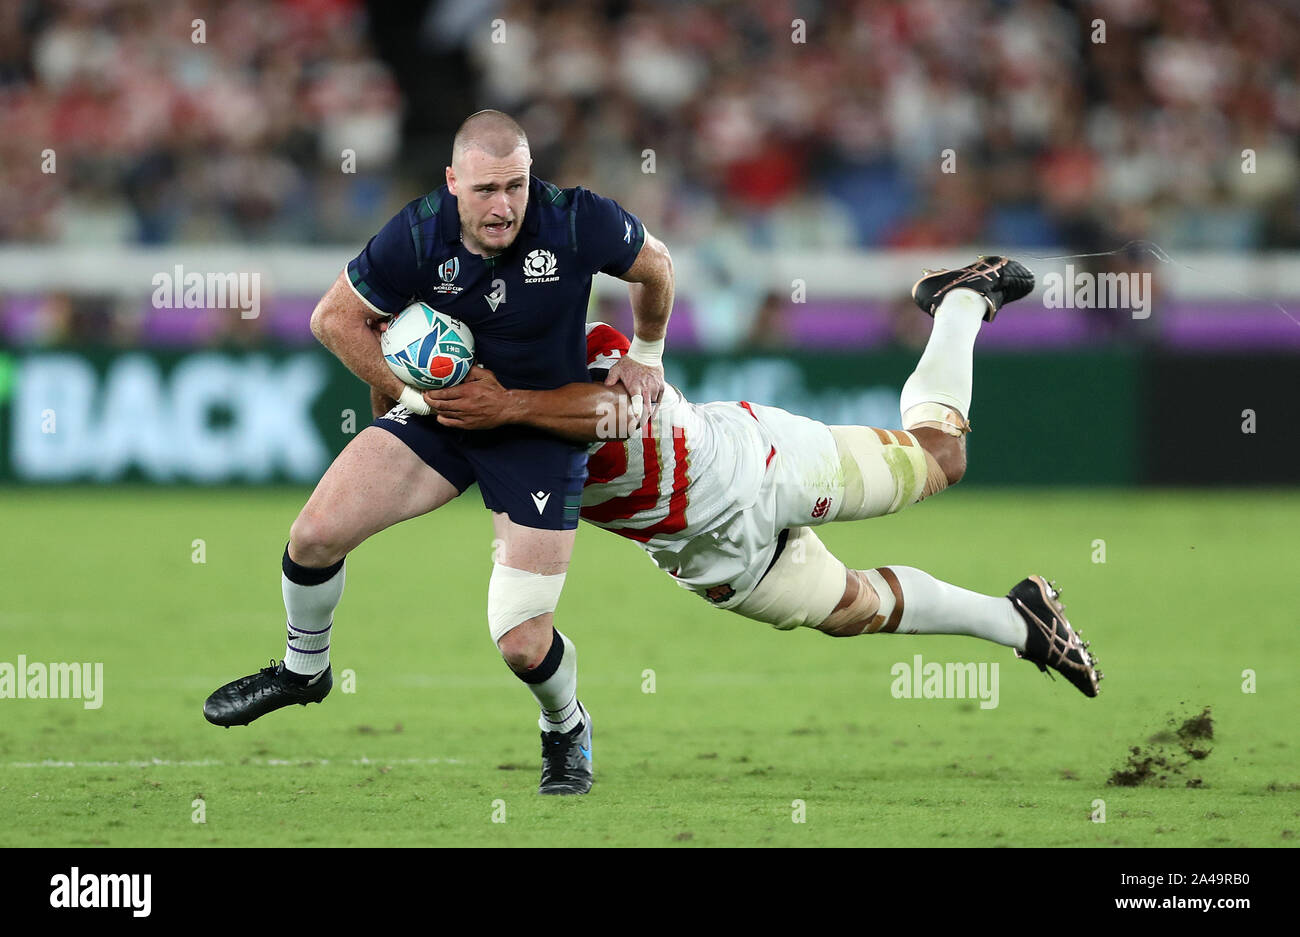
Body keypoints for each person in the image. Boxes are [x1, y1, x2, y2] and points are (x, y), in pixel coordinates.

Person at [203, 110, 676, 798]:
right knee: (313, 536)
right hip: (443, 415)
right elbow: (333, 319)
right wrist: (412, 396)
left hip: (539, 427)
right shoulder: (417, 231)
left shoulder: (576, 221)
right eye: (485, 189)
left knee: (520, 639)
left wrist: (647, 351)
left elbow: (656, 266)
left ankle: (565, 726)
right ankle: (304, 670)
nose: (503, 206)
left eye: (515, 186)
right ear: (453, 181)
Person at [423, 256, 1103, 698]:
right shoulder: (477, 420)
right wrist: (409, 384)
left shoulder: (585, 349)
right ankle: (1021, 621)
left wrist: (504, 406)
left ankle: (961, 302)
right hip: (707, 556)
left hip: (757, 466)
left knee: (942, 458)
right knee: (853, 611)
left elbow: (614, 413)